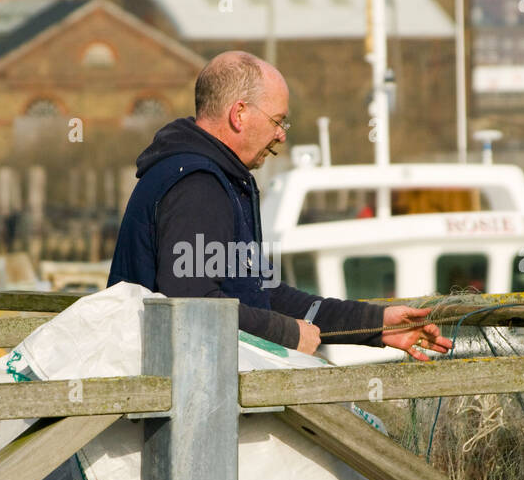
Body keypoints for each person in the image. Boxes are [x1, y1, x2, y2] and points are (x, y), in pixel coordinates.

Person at [108, 51, 452, 360]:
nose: (282, 135)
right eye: (277, 121)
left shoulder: (216, 177)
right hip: (182, 412)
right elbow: (191, 304)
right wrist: (284, 333)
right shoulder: (198, 185)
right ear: (239, 114)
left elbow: (265, 295)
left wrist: (376, 324)